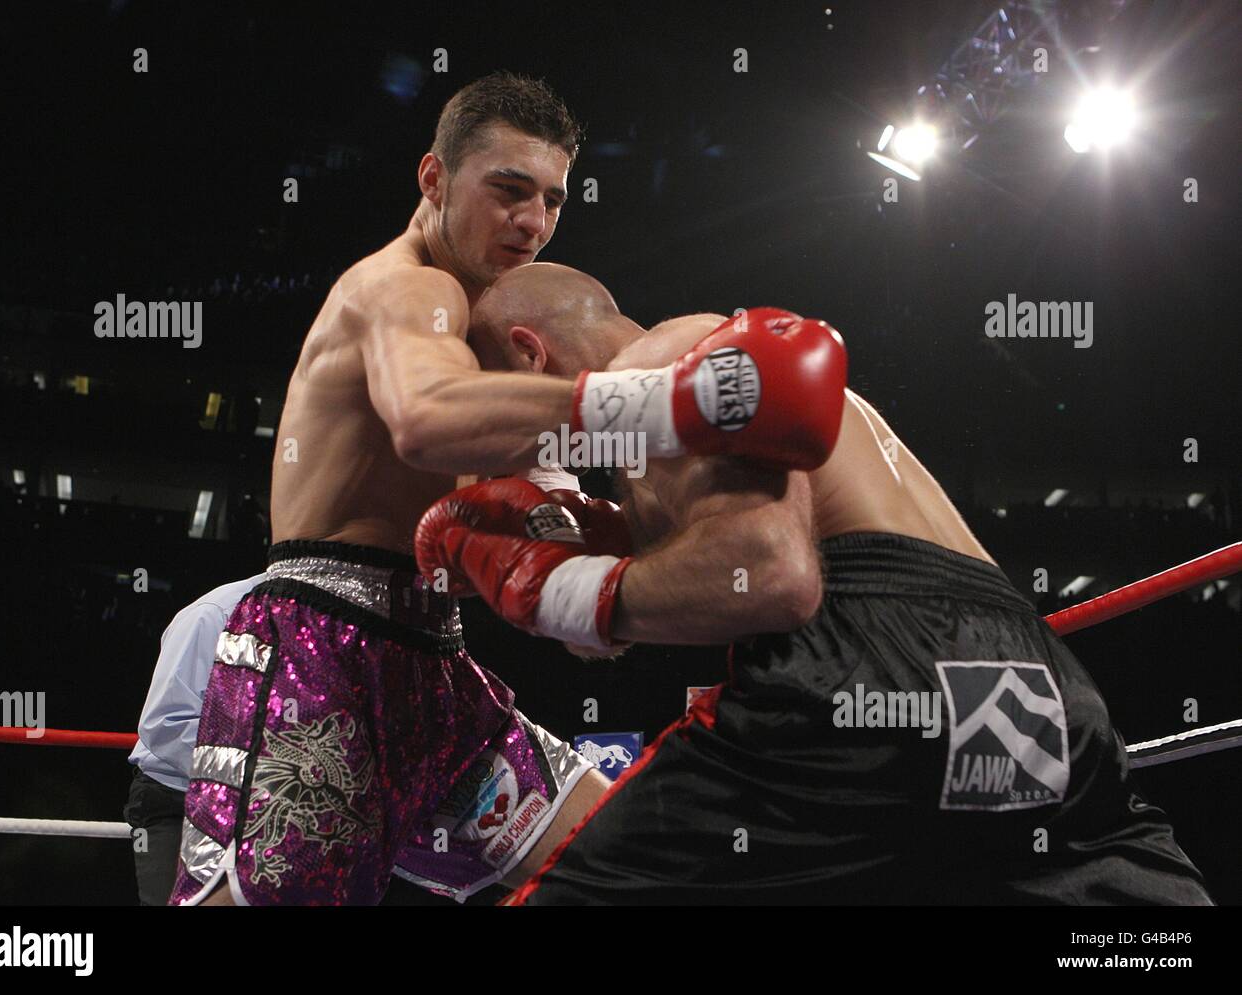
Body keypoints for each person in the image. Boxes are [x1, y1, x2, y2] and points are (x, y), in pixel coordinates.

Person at [169, 72, 829, 906]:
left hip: (435, 668)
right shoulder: (406, 288)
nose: (533, 223)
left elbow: (505, 492)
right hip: (320, 654)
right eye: (508, 191)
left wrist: (591, 573)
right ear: (434, 179)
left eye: (552, 200)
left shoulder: (487, 327)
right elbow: (426, 416)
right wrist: (675, 405)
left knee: (622, 870)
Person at [418, 262, 1214, 905]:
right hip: (1033, 686)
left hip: (867, 667)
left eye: (486, 403)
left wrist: (556, 590)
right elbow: (681, 593)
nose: (493, 456)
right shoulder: (679, 427)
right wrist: (577, 554)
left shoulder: (666, 361)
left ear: (526, 358)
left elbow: (771, 575)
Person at [125, 573, 267, 905]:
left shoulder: (320, 625)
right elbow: (165, 723)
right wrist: (257, 773)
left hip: (262, 805)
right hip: (178, 797)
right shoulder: (215, 612)